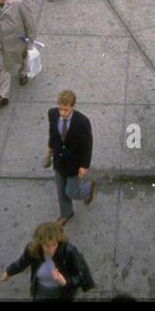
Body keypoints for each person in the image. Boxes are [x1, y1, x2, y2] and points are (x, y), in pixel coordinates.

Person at [1, 221, 96, 301]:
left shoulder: (69, 250)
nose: (51, 250)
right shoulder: (32, 249)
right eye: (47, 246)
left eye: (54, 245)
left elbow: (83, 274)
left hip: (62, 294)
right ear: (40, 243)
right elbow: (22, 263)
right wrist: (8, 272)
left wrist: (66, 282)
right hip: (41, 293)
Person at [47, 90, 95, 224]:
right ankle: (66, 214)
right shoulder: (52, 114)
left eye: (66, 110)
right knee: (60, 189)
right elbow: (52, 131)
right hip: (58, 160)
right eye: (60, 109)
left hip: (74, 163)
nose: (62, 113)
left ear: (73, 106)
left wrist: (85, 165)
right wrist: (50, 146)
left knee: (72, 192)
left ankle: (88, 187)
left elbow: (87, 145)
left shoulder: (82, 122)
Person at [0, 0, 37, 108]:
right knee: (3, 66)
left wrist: (31, 40)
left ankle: (23, 73)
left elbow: (29, 22)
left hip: (16, 40)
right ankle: (2, 95)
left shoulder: (19, 2)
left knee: (20, 58)